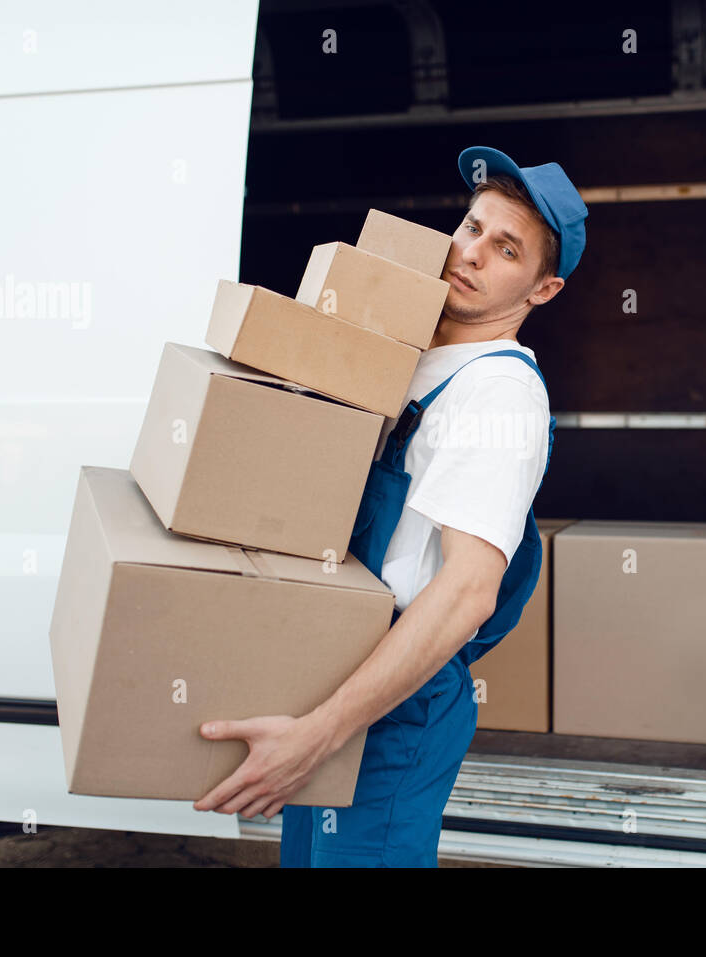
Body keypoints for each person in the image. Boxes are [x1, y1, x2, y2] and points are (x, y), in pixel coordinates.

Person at [192, 145, 588, 867]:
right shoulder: (411, 361)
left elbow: (467, 592)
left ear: (543, 290)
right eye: (470, 227)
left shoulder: (497, 394)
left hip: (393, 705)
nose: (470, 254)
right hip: (340, 679)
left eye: (506, 249)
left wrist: (321, 731)